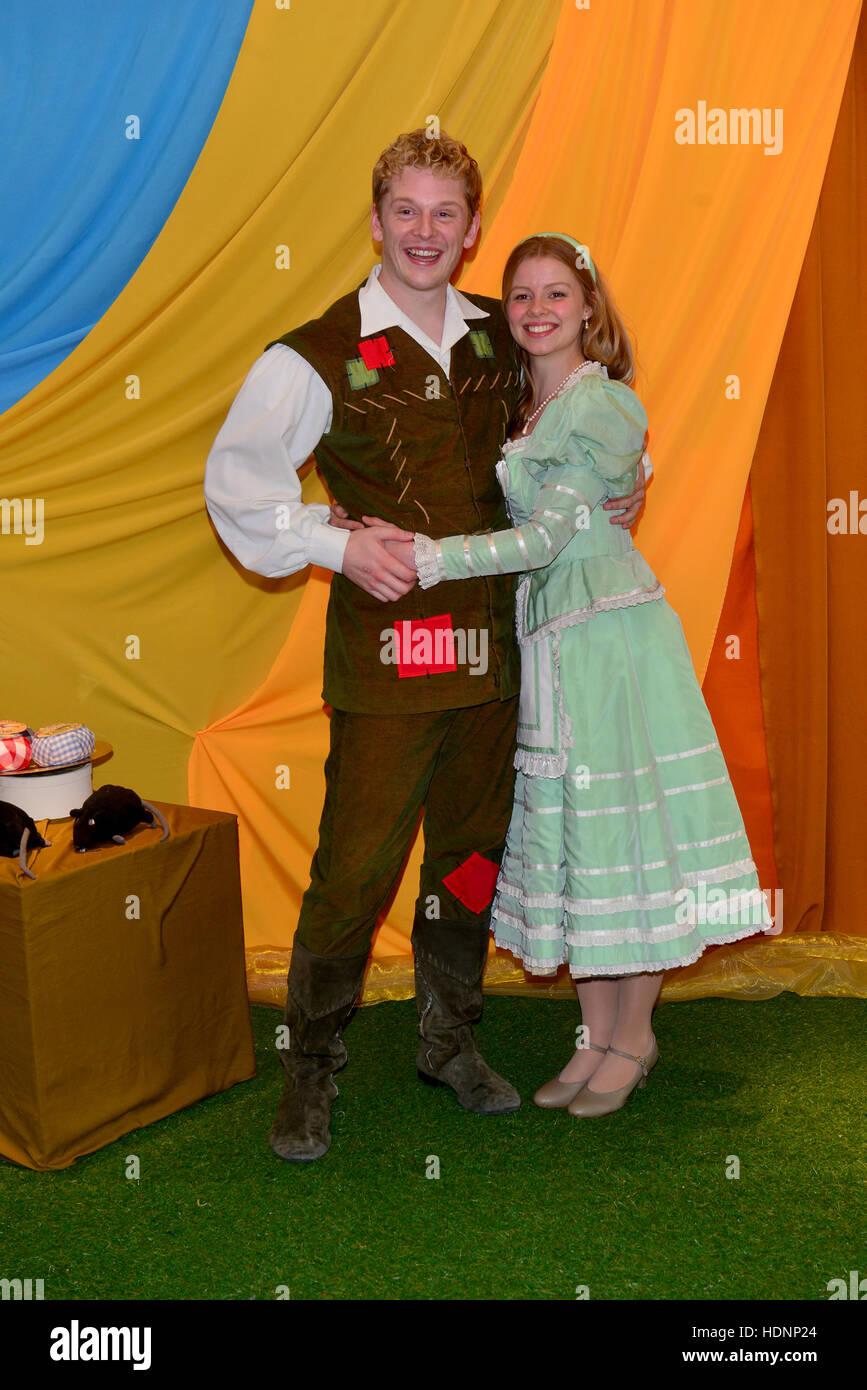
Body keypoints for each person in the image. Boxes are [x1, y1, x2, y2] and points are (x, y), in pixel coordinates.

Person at [203, 135, 647, 1163]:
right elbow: (238, 489)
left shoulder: (508, 331)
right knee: (353, 870)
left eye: (446, 214)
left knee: (471, 856)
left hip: (499, 654)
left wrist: (629, 484)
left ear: (474, 228)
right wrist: (331, 546)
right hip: (389, 655)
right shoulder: (314, 353)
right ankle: (309, 1068)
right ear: (374, 220)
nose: (425, 233)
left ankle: (449, 1039)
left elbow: (595, 405)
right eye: (406, 210)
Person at [373, 231, 773, 1118]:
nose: (539, 311)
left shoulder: (602, 405)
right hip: (548, 639)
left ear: (589, 308)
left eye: (558, 295)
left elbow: (547, 538)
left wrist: (429, 560)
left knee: (624, 836)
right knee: (583, 836)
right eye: (521, 297)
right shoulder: (521, 406)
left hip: (608, 639)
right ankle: (594, 1036)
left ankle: (635, 1037)